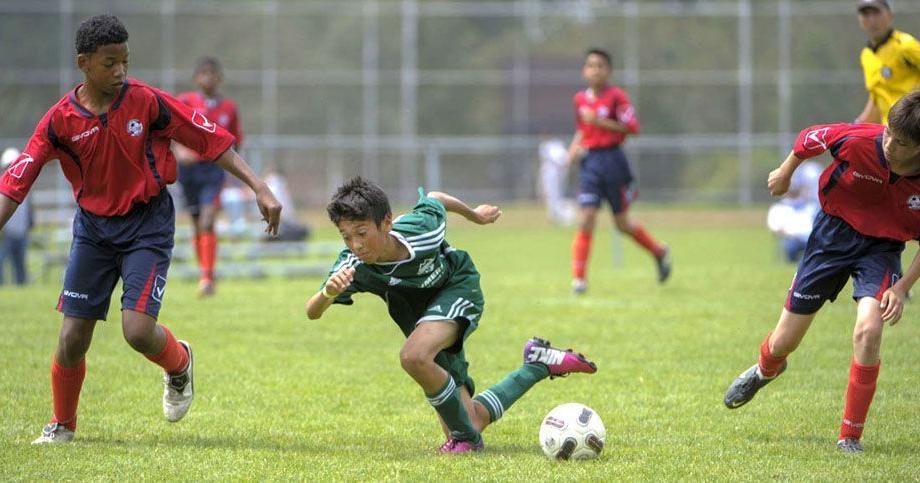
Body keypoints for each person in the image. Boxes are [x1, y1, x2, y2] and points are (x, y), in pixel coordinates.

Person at [0, 15, 282, 445]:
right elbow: (16, 182)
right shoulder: (59, 121)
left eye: (125, 62)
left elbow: (209, 138)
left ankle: (179, 362)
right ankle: (63, 425)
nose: (120, 72)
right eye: (109, 63)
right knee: (72, 338)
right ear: (83, 63)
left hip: (147, 224)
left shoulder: (147, 102)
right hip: (93, 231)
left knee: (135, 330)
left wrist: (259, 187)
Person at [305, 177, 597, 453]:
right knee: (470, 417)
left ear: (386, 223)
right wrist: (329, 292)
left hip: (457, 287)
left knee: (414, 356)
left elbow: (436, 199)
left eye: (362, 233)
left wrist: (474, 216)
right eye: (346, 237)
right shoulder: (352, 265)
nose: (355, 244)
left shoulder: (421, 228)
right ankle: (537, 365)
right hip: (420, 318)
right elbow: (312, 311)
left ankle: (466, 441)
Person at [723, 91, 920, 454]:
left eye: (902, 142)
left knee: (869, 329)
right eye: (889, 132)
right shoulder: (861, 139)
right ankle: (766, 370)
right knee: (784, 342)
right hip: (831, 236)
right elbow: (808, 139)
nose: (889, 143)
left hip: (881, 249)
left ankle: (850, 435)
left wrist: (902, 286)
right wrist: (784, 174)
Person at [567, 48, 671, 295]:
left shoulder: (616, 97)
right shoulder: (580, 100)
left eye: (601, 65)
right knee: (586, 218)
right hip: (590, 163)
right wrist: (573, 148)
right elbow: (583, 128)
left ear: (609, 71)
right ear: (584, 71)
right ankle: (579, 281)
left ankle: (658, 251)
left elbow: (633, 128)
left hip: (613, 161)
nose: (595, 70)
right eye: (591, 65)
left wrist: (600, 121)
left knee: (622, 224)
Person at [173, 56, 243, 297]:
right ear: (196, 78)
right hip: (188, 172)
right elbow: (171, 130)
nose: (208, 78)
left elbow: (235, 141)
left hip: (213, 170)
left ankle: (207, 278)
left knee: (207, 220)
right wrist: (181, 151)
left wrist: (231, 169)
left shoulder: (229, 108)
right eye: (203, 73)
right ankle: (204, 271)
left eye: (212, 73)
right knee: (195, 223)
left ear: (219, 78)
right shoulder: (185, 101)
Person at [853, 0, 920, 125]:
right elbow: (877, 98)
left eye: (876, 13)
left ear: (890, 15)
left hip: (913, 130)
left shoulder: (905, 46)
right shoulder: (866, 55)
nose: (872, 20)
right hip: (890, 133)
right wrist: (854, 127)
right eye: (866, 14)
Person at [765, 160, 822, 263]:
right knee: (791, 247)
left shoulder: (811, 207)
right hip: (792, 239)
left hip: (809, 240)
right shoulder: (779, 208)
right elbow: (775, 227)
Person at [0, 148, 33, 286]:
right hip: (5, 235)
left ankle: (21, 288)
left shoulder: (25, 187)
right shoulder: (2, 187)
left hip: (21, 233)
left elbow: (29, 210)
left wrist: (30, 224)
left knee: (20, 267)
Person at [538, 135, 575, 225]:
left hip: (556, 174)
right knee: (552, 196)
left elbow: (563, 162)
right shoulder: (547, 147)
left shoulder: (555, 147)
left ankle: (558, 215)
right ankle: (554, 215)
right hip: (552, 174)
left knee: (556, 195)